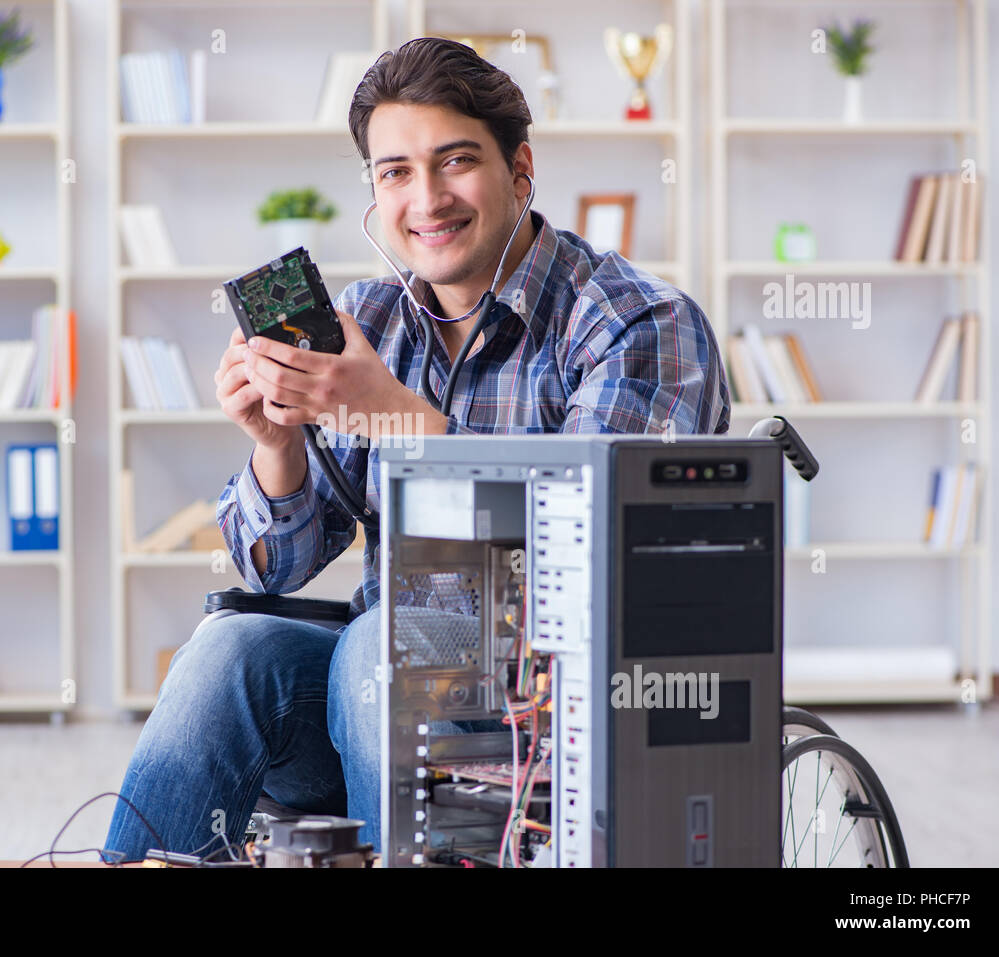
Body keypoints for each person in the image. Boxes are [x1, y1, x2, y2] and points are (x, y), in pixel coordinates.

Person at [104, 36, 730, 861]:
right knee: (231, 649)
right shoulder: (374, 320)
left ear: (520, 168)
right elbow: (273, 570)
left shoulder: (638, 325)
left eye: (456, 160)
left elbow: (597, 557)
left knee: (384, 638)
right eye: (395, 171)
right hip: (373, 713)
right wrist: (277, 446)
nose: (426, 198)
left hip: (565, 716)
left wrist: (399, 416)